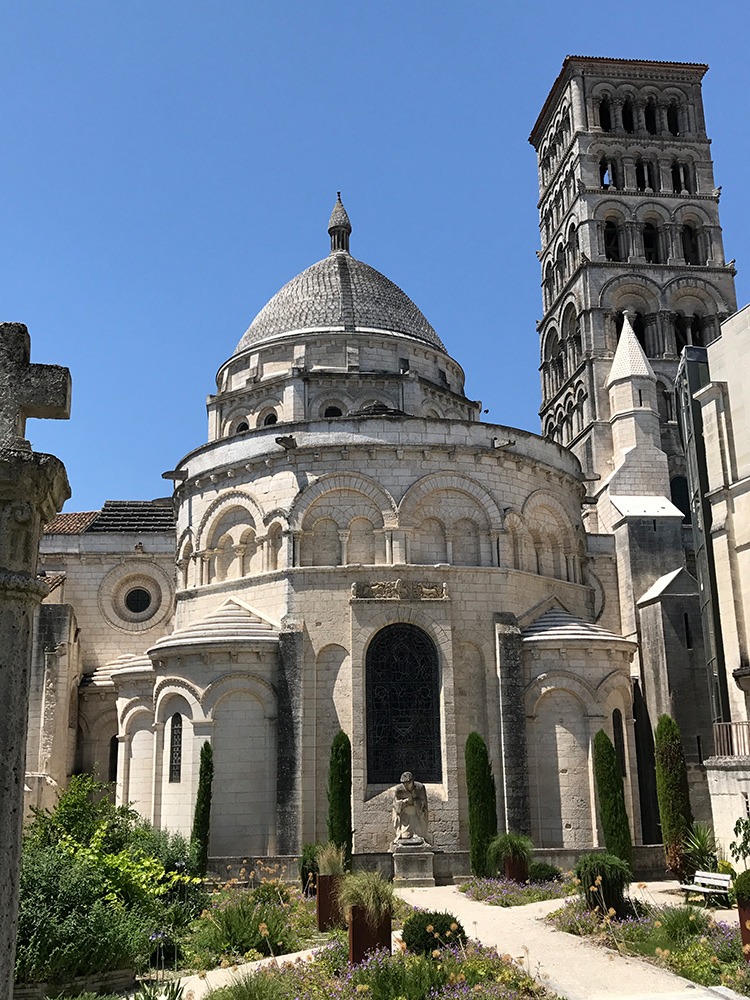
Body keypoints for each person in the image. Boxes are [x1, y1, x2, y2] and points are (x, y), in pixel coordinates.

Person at [392, 771, 429, 843]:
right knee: (405, 836)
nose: (406, 785)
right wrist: (405, 802)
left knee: (418, 835)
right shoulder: (399, 789)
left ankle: (417, 833)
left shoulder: (420, 787)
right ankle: (404, 832)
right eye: (404, 783)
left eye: (408, 783)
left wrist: (414, 802)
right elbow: (396, 806)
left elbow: (423, 803)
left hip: (417, 814)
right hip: (404, 815)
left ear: (412, 781)